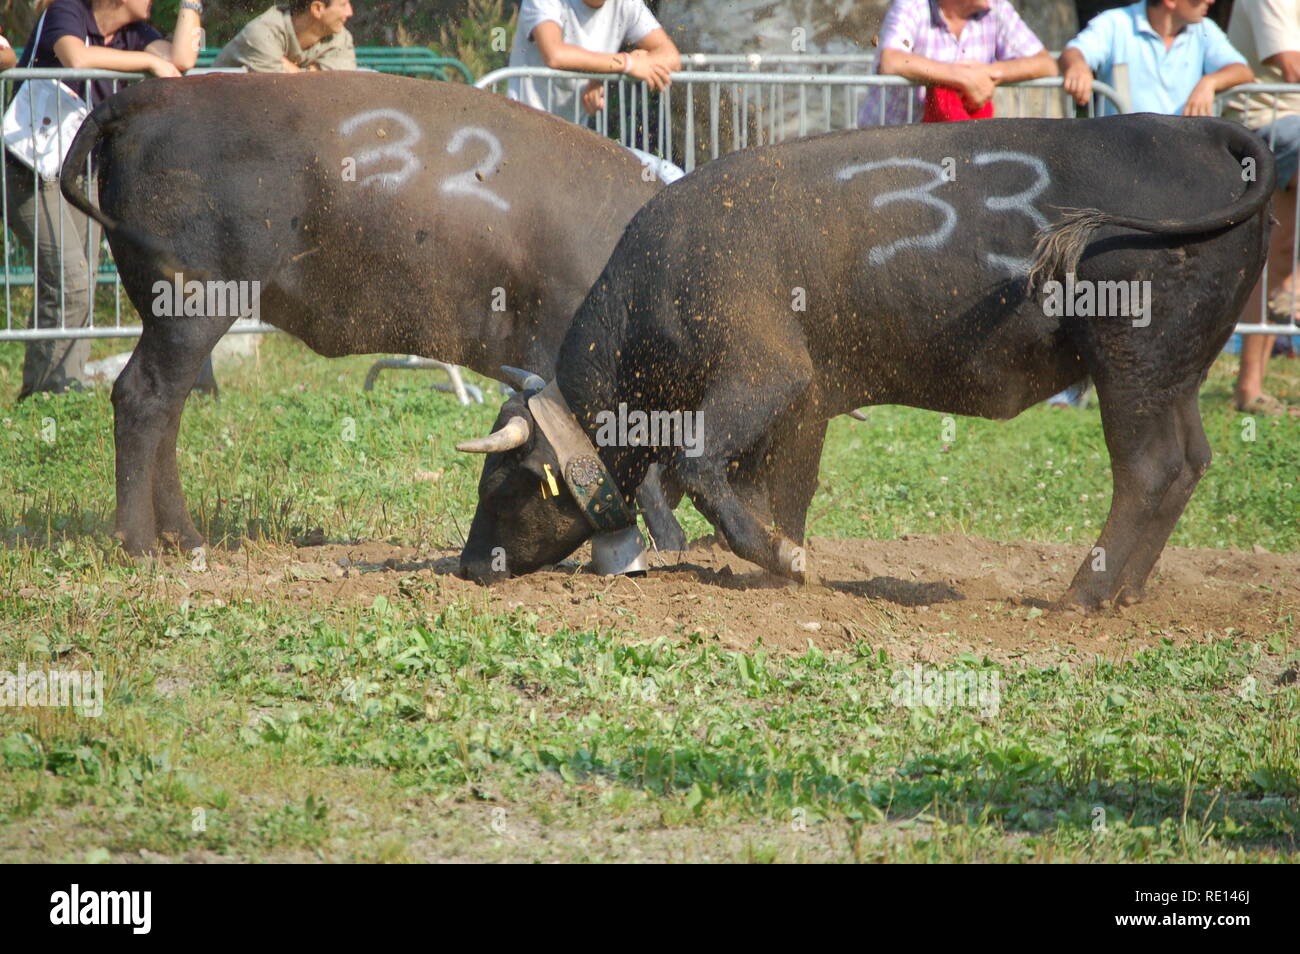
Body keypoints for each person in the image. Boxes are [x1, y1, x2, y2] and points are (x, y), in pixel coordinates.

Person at [6, 0, 202, 399]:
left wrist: (191, 3)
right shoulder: (67, 11)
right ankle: (45, 393)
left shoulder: (135, 36)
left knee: (80, 282)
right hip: (27, 169)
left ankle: (64, 385)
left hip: (79, 175)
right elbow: (76, 57)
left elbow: (180, 59)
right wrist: (145, 64)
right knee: (70, 281)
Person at [1225, 0, 1300, 416]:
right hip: (1260, 130)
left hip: (1294, 129)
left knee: (1278, 253)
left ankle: (1250, 389)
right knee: (1277, 259)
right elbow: (1290, 66)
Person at [858, 0, 1057, 128]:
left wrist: (986, 73)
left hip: (951, 145)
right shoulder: (913, 5)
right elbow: (891, 60)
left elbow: (1045, 64)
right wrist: (959, 76)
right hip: (888, 142)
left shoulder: (997, 8)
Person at [1061, 0, 1253, 116]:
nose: (1210, 1)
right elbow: (1074, 52)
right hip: (1122, 153)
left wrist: (1210, 82)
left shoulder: (1204, 28)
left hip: (1185, 151)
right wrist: (1078, 66)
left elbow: (1242, 71)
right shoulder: (1115, 22)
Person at [506, 0, 681, 122]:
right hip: (524, 125)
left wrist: (600, 75)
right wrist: (627, 63)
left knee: (670, 173)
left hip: (572, 136)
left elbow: (671, 57)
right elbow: (555, 54)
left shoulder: (628, 4)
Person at [213, 0, 356, 73]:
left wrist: (285, 65)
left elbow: (341, 85)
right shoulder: (261, 32)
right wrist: (312, 73)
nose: (350, 12)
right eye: (343, 4)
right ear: (317, 9)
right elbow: (282, 93)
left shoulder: (340, 37)